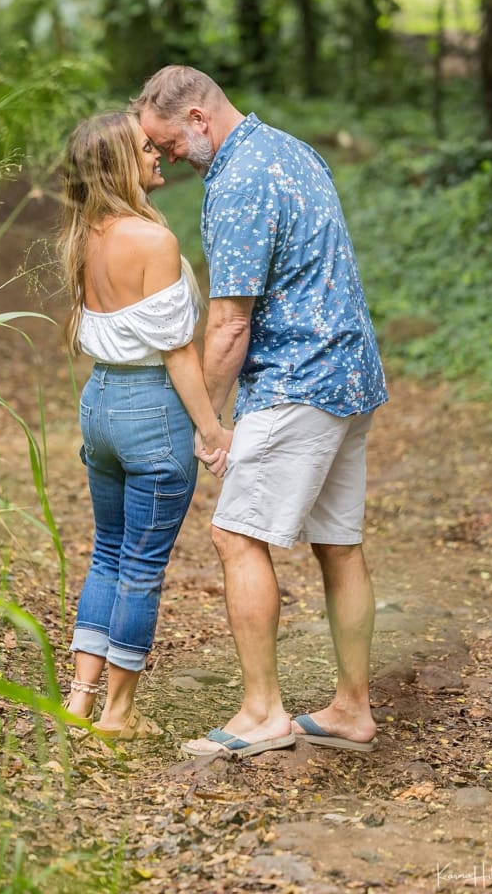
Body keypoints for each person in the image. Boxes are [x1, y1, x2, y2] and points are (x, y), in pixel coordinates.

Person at [131, 66, 388, 757]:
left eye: (171, 145)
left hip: (298, 379)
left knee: (236, 535)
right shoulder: (289, 148)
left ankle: (262, 712)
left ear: (197, 119)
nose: (170, 160)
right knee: (337, 543)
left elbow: (228, 325)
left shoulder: (239, 183)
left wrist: (207, 426)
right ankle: (350, 710)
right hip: (350, 371)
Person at [58, 110, 232, 741]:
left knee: (106, 554)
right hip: (150, 408)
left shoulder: (86, 232)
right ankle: (119, 714)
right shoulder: (152, 241)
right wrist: (212, 430)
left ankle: (79, 701)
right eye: (143, 148)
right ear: (118, 165)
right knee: (140, 566)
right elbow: (178, 352)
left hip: (100, 400)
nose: (157, 151)